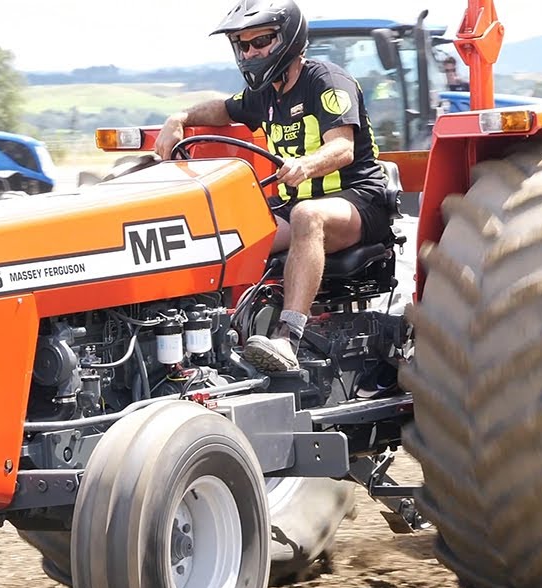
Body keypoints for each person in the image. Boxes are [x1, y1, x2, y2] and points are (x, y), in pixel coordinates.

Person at [155, 0, 392, 374]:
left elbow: (343, 147)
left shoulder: (326, 81)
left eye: (261, 41)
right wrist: (178, 117)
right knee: (227, 230)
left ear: (288, 40)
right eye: (243, 45)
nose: (251, 53)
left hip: (358, 202)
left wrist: (306, 164)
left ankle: (288, 338)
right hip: (295, 207)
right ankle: (211, 338)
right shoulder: (266, 94)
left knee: (307, 214)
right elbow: (223, 109)